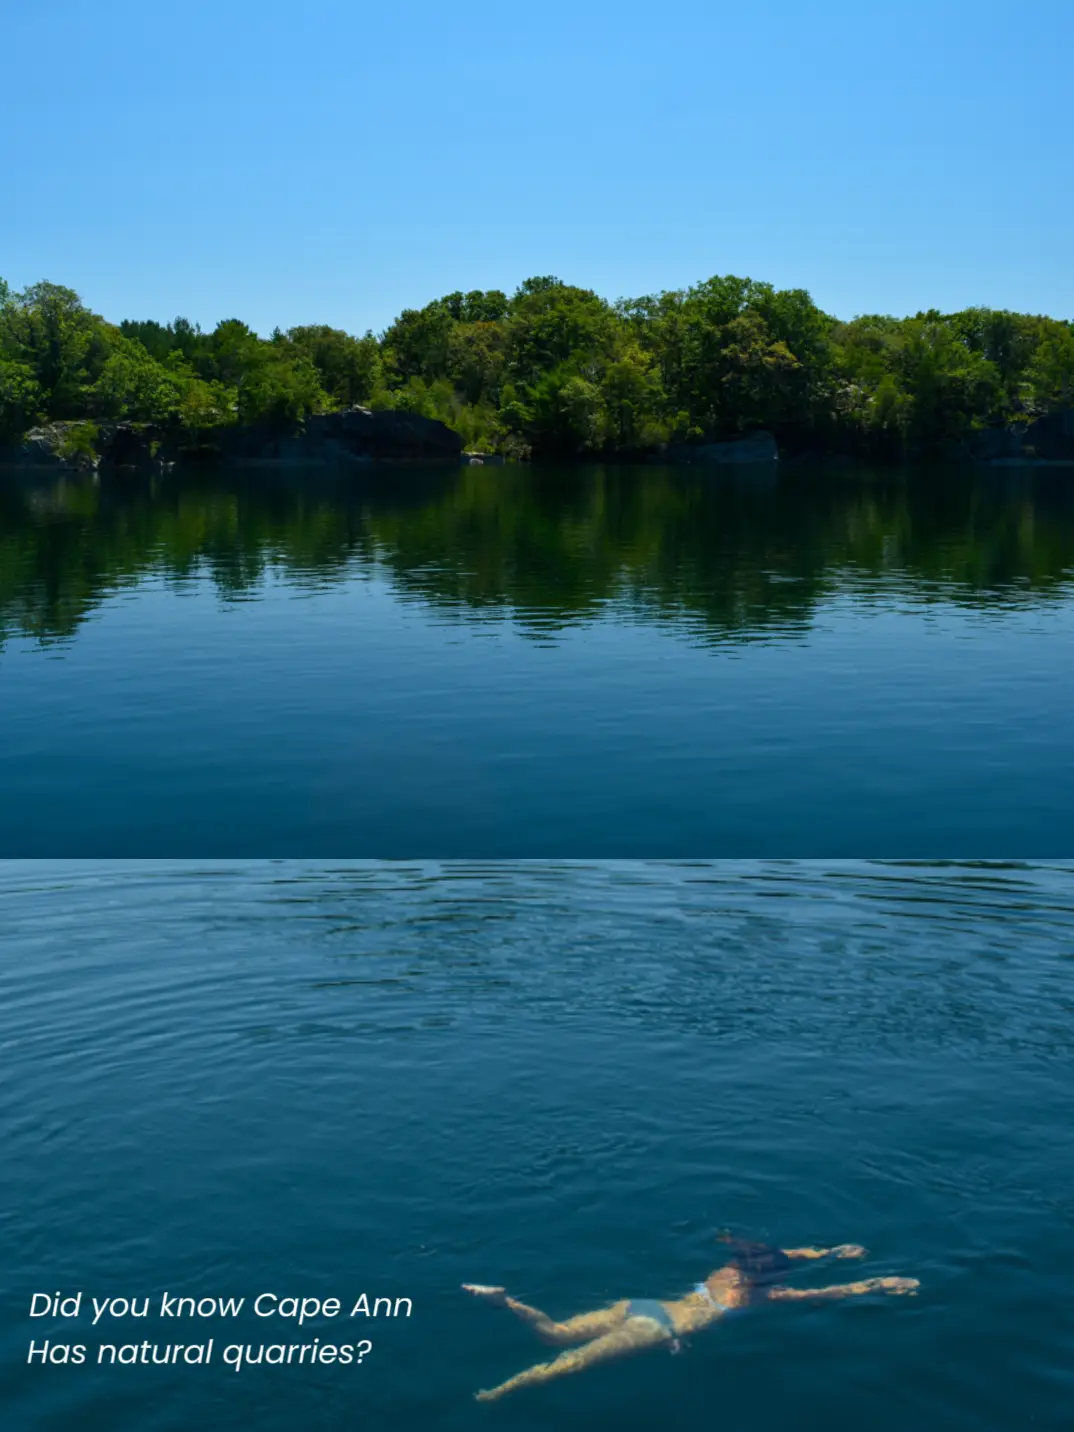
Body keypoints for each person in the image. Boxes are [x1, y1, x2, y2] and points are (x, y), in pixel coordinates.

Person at [462, 1236, 919, 1402]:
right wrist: (884, 1282)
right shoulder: (765, 1295)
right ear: (771, 1276)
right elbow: (832, 1291)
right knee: (563, 1364)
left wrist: (831, 1251)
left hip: (640, 1305)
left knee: (556, 1334)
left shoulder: (728, 1270)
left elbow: (780, 1253)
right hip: (657, 1329)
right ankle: (498, 1393)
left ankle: (507, 1301)